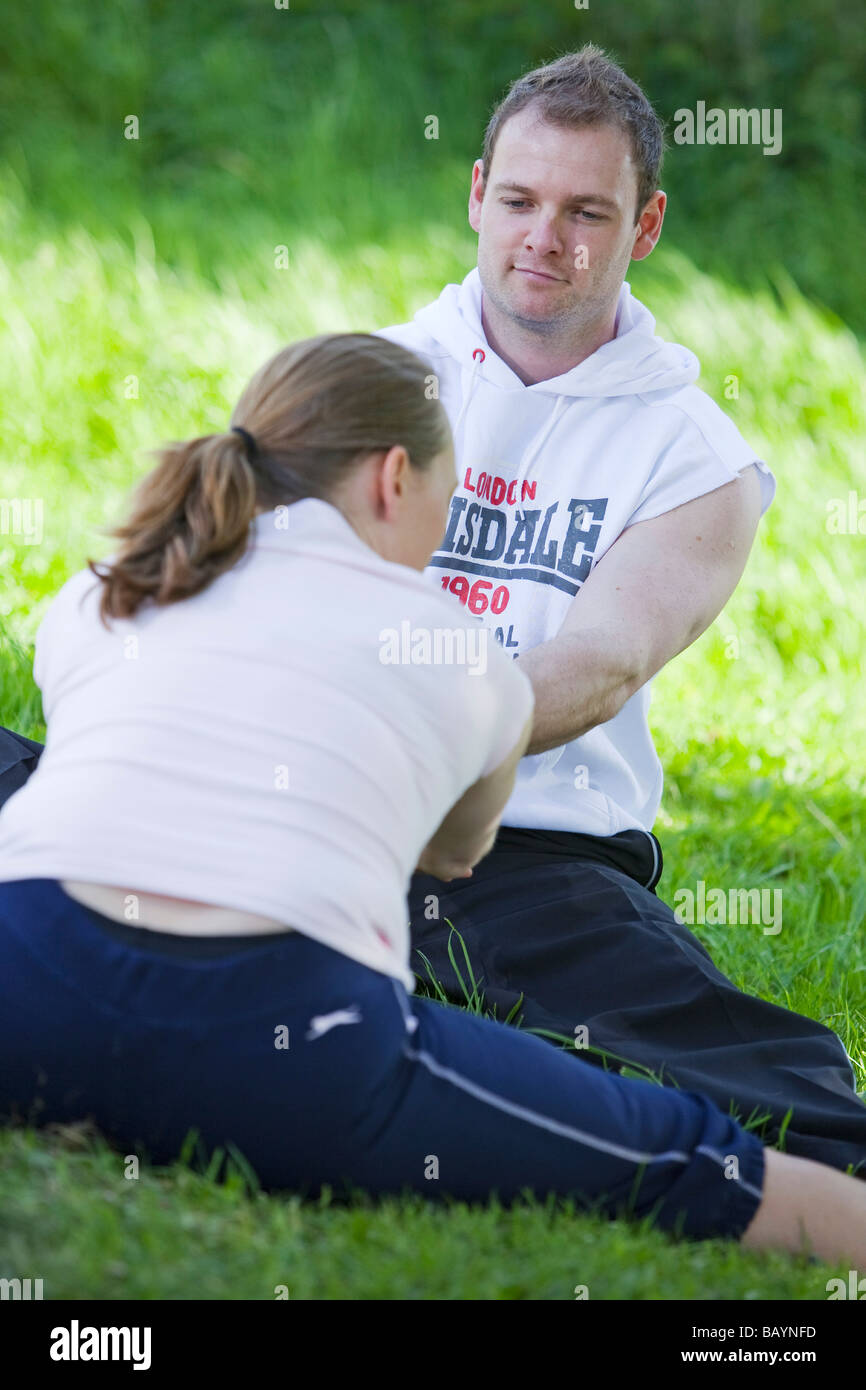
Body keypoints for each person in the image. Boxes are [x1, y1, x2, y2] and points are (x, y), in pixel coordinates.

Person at [0, 331, 864, 1263]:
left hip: (26, 973)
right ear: (392, 479)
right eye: (447, 502)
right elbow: (454, 858)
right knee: (676, 1156)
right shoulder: (452, 649)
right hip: (284, 1032)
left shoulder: (102, 593)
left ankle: (77, 1100)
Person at [373, 45, 866, 1171]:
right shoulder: (373, 375)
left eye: (585, 210)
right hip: (326, 789)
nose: (544, 236)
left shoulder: (696, 459)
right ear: (475, 200)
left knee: (756, 1078)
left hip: (524, 855)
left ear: (642, 228)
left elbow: (596, 660)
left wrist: (409, 743)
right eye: (518, 200)